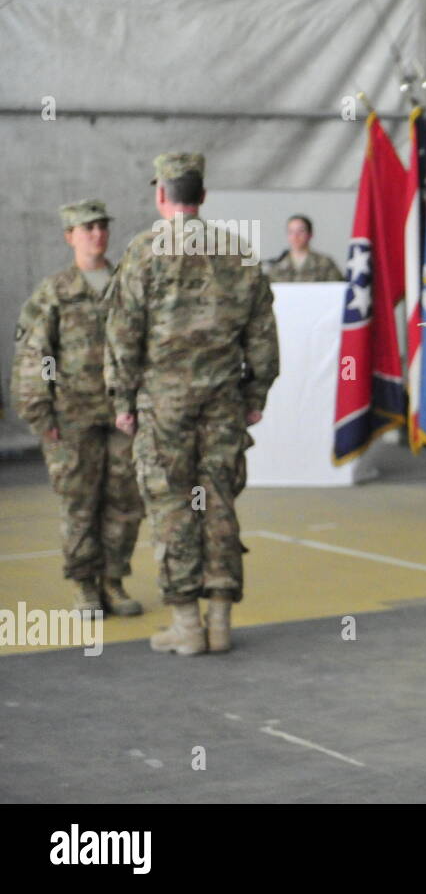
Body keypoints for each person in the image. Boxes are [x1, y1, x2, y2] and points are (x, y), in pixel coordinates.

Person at [105, 153, 280, 657]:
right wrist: (255, 394)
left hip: (163, 406)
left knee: (171, 506)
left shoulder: (143, 252)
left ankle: (187, 624)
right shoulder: (238, 252)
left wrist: (122, 399)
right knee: (218, 501)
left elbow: (122, 335)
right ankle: (221, 621)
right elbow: (263, 336)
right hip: (223, 402)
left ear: (162, 195)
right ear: (202, 196)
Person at [11, 199, 144, 617]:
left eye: (102, 226)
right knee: (80, 501)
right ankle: (85, 585)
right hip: (72, 416)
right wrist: (41, 412)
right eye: (87, 228)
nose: (97, 234)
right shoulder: (56, 291)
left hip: (124, 412)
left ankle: (114, 580)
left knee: (125, 500)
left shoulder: (129, 283)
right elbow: (36, 353)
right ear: (70, 236)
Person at [260, 214, 344, 282]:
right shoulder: (278, 265)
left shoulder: (324, 263)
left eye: (301, 231)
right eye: (291, 232)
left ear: (310, 234)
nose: (295, 236)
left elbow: (337, 289)